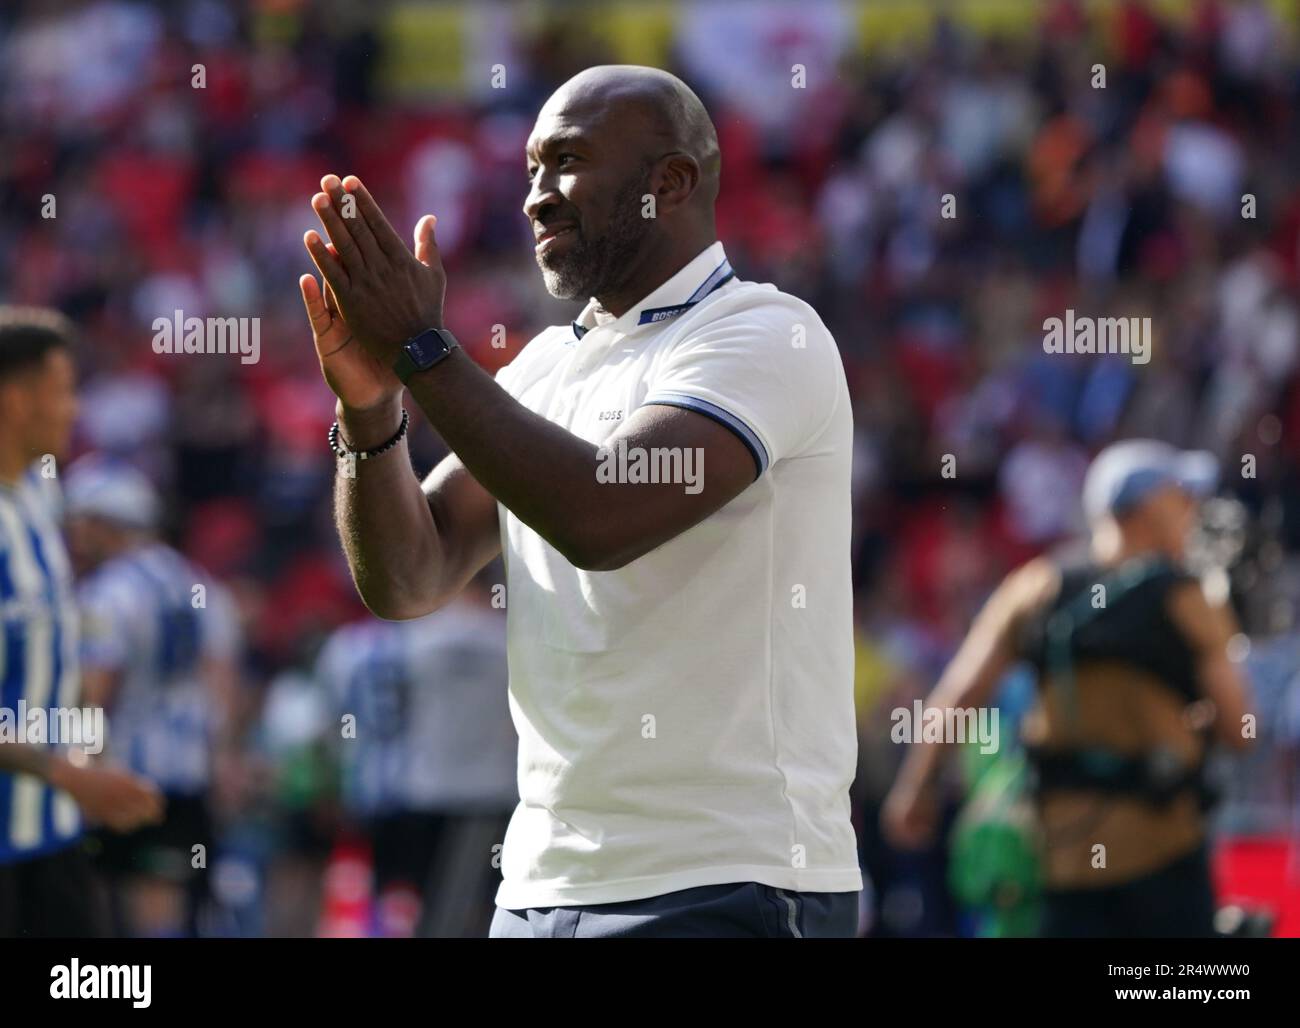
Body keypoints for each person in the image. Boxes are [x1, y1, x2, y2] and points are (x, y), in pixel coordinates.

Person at [297, 65, 862, 937]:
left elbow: (603, 516)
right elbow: (408, 577)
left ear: (668, 183)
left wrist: (421, 347)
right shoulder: (543, 368)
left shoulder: (764, 334)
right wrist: (371, 408)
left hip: (726, 876)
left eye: (567, 162)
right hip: (540, 886)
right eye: (529, 170)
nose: (535, 197)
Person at [883, 439, 1255, 937]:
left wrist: (916, 791)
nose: (1192, 510)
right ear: (1146, 508)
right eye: (1180, 496)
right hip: (1165, 855)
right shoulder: (1188, 597)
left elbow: (957, 697)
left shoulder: (1035, 586)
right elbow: (1239, 728)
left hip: (1067, 862)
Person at [0, 306, 163, 938]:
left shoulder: (41, 498)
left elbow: (57, 652)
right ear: (15, 400)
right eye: (62, 391)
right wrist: (69, 773)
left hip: (51, 834)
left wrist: (85, 753)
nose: (75, 410)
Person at [63, 454, 244, 937]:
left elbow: (94, 693)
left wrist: (83, 764)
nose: (75, 538)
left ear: (106, 524)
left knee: (110, 904)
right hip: (188, 773)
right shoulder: (201, 585)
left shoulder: (108, 593)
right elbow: (222, 687)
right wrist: (221, 758)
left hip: (123, 772)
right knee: (170, 905)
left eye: (81, 523)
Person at [316, 568, 516, 937]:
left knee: (388, 908)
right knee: (454, 913)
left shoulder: (353, 644)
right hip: (467, 796)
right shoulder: (493, 637)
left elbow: (329, 728)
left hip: (379, 795)